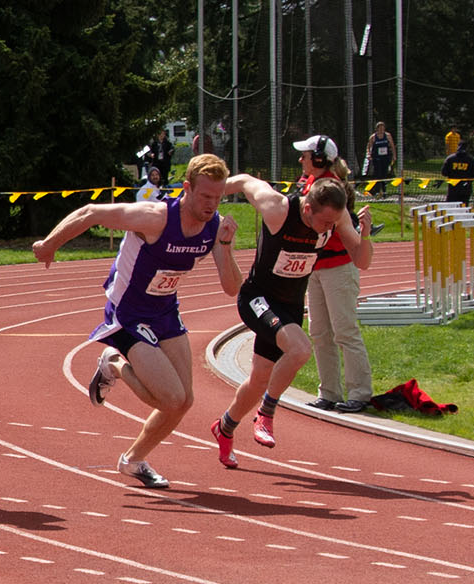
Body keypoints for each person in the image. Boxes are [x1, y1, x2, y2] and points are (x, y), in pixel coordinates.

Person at [34, 154, 241, 488]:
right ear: (185, 188)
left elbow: (232, 289)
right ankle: (114, 363)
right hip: (128, 314)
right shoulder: (155, 217)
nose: (211, 205)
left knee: (184, 401)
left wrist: (227, 246)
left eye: (218, 198)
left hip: (164, 311)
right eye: (205, 197)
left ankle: (133, 460)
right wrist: (50, 245)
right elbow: (91, 212)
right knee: (171, 398)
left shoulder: (214, 227)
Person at [210, 172, 370, 468]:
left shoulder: (336, 217)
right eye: (324, 223)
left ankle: (225, 426)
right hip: (258, 299)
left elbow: (362, 260)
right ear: (307, 208)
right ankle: (266, 413)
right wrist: (209, 198)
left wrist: (366, 235)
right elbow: (245, 181)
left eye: (333, 224)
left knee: (258, 379)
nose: (329, 229)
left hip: (290, 306)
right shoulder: (277, 208)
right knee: (300, 349)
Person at [299, 138, 376, 414]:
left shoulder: (331, 190)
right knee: (319, 333)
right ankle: (329, 391)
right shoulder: (311, 184)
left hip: (338, 267)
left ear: (319, 159)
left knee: (344, 331)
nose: (301, 160)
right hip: (316, 268)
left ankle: (360, 393)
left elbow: (349, 239)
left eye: (305, 155)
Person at [363, 121, 395, 195]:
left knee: (384, 174)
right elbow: (368, 147)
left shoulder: (387, 136)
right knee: (378, 174)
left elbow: (392, 146)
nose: (381, 130)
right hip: (377, 158)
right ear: (376, 129)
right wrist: (368, 154)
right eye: (379, 128)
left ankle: (384, 191)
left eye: (382, 128)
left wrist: (394, 156)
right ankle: (376, 190)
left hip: (385, 158)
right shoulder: (373, 137)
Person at [442, 140, 474, 205]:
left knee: (450, 207)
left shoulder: (450, 159)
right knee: (463, 208)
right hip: (466, 189)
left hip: (453, 188)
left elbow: (444, 172)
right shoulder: (471, 160)